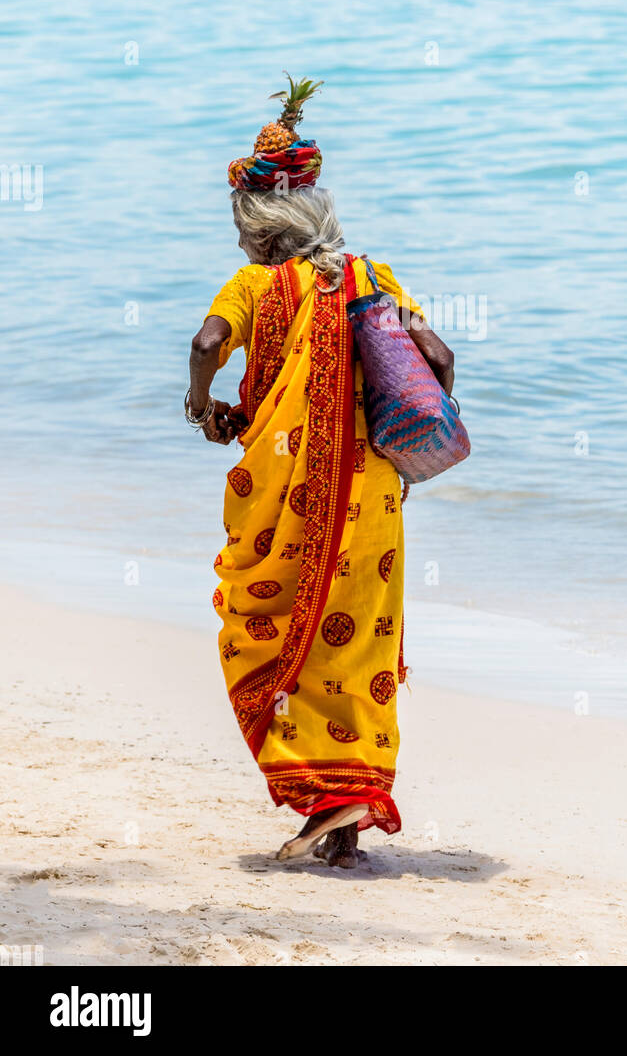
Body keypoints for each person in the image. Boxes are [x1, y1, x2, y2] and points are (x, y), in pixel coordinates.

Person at [186, 77, 454, 868]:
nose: (239, 244)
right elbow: (437, 357)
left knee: (260, 630)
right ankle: (344, 819)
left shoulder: (254, 287)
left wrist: (203, 409)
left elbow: (207, 345)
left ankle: (325, 802)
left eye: (243, 230)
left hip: (285, 498)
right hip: (370, 495)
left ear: (264, 231)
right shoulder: (372, 279)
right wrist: (413, 447)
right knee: (359, 645)